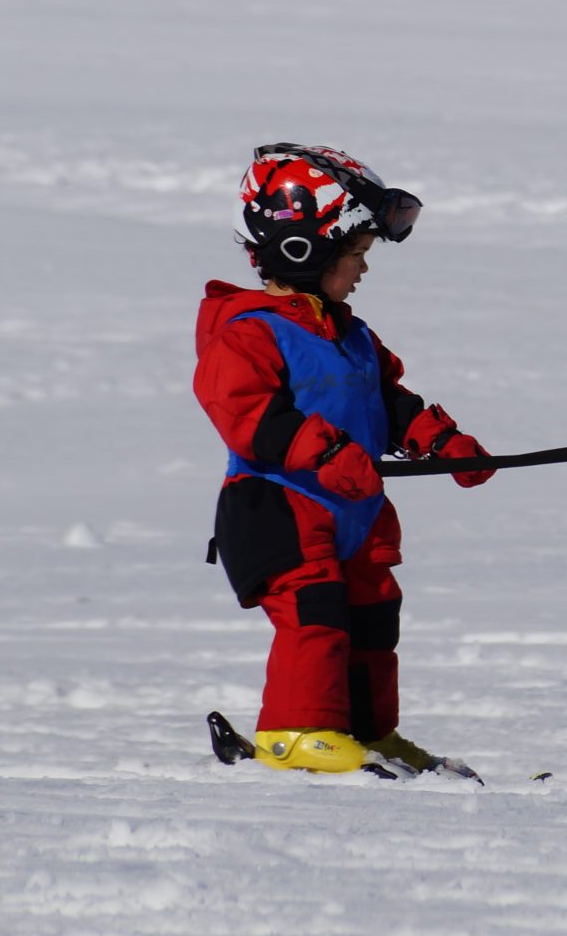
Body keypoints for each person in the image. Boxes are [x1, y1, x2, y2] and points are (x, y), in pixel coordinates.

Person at [195, 143, 496, 776]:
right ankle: (294, 731)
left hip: (352, 512)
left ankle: (366, 732)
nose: (363, 268)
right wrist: (328, 451)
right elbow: (244, 412)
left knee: (372, 616)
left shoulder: (351, 335)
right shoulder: (248, 332)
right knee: (317, 613)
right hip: (280, 509)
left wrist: (440, 443)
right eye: (355, 252)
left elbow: (387, 400)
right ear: (301, 248)